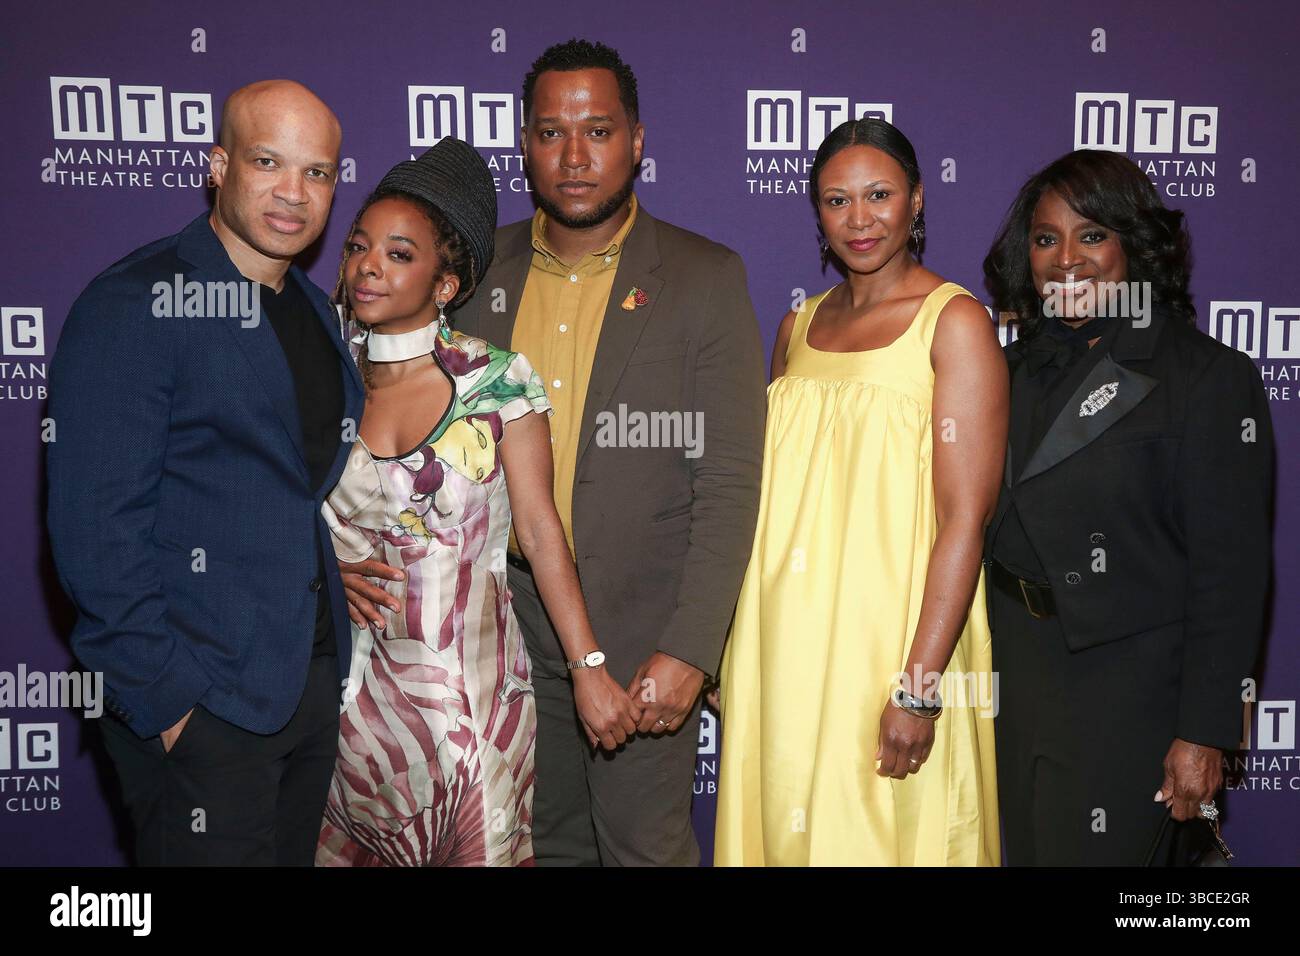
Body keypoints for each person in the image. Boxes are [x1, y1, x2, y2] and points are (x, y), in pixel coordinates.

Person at [349, 39, 767, 866]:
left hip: (641, 628)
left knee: (645, 849)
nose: (575, 157)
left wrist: (691, 649)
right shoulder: (467, 271)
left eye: (599, 131)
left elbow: (728, 480)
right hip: (496, 629)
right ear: (525, 144)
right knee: (541, 848)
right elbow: (373, 423)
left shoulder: (703, 276)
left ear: (638, 141)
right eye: (551, 133)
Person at [47, 80, 361, 865]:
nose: (294, 193)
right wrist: (168, 704)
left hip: (306, 689)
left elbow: (286, 491)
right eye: (267, 162)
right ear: (218, 165)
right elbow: (92, 530)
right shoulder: (135, 302)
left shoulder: (317, 311)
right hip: (200, 706)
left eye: (317, 172)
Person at [315, 138, 640, 867]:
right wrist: (321, 572)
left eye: (399, 254)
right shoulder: (319, 375)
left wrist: (587, 666)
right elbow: (273, 517)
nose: (368, 264)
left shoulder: (497, 382)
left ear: (445, 281)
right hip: (346, 713)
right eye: (358, 247)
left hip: (474, 706)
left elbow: (540, 529)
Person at [714, 118, 1008, 866]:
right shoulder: (797, 326)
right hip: (783, 634)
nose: (859, 218)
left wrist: (917, 686)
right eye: (836, 200)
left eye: (878, 195)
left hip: (895, 639)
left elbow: (965, 520)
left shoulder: (956, 322)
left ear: (915, 200)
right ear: (816, 212)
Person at [981, 149, 1274, 866]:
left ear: (1133, 247)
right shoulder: (1001, 371)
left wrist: (1206, 732)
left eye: (1092, 235)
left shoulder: (1205, 377)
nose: (1066, 259)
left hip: (1128, 698)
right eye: (1046, 239)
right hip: (1006, 683)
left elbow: (1231, 575)